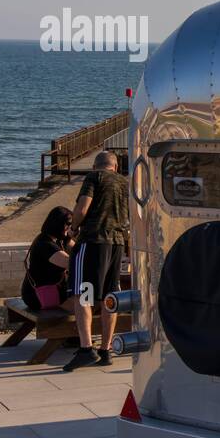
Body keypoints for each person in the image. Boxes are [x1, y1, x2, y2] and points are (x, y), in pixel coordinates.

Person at [63, 151, 129, 371]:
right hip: (117, 243)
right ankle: (106, 349)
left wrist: (73, 229)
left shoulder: (94, 178)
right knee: (110, 296)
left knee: (83, 294)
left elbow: (82, 208)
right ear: (116, 167)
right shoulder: (124, 183)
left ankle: (86, 348)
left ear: (95, 165)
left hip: (92, 242)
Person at [20, 206, 75, 311]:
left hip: (56, 291)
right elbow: (71, 263)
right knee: (85, 306)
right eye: (68, 224)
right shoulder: (44, 244)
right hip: (38, 295)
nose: (70, 227)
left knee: (87, 302)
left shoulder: (59, 239)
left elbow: (78, 250)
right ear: (57, 223)